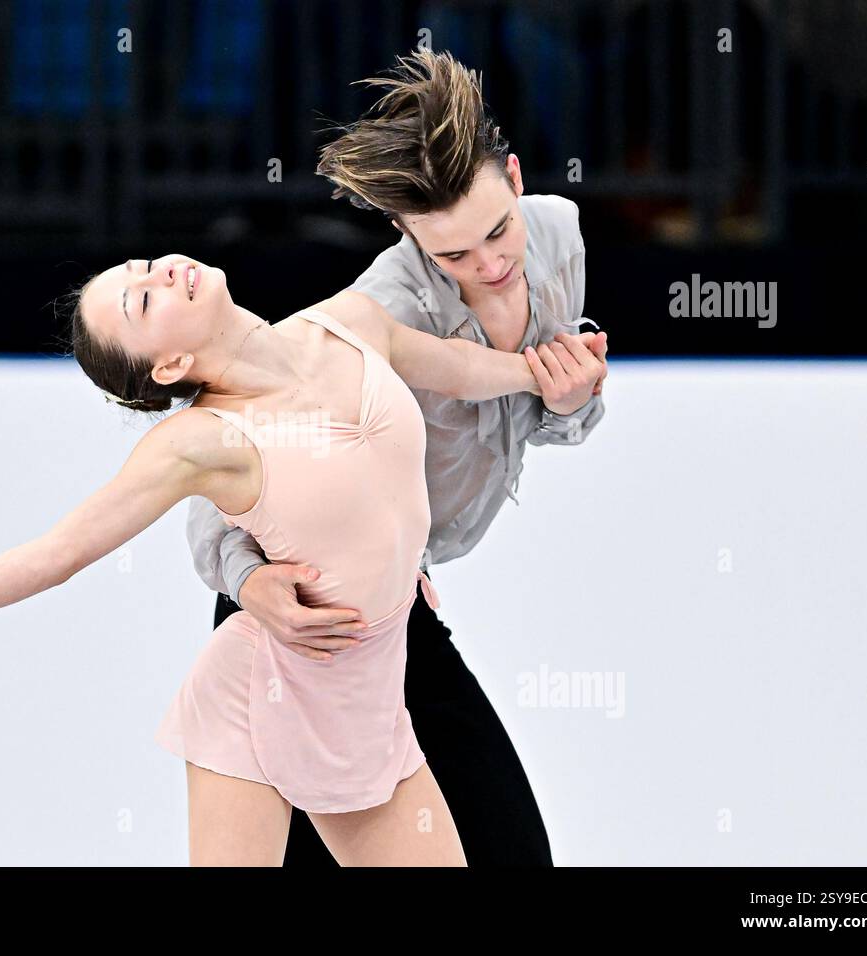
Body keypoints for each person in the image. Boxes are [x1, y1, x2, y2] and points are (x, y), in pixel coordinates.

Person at [0, 247, 605, 865]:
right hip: (262, 690)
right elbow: (60, 551)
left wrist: (542, 379)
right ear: (169, 366)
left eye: (144, 267)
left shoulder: (346, 320)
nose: (161, 272)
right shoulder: (202, 441)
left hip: (368, 697)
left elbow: (458, 367)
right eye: (141, 300)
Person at [186, 49, 608, 867]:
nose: (488, 264)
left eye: (497, 231)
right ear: (405, 234)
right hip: (294, 615)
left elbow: (548, 419)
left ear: (516, 178)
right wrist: (248, 582)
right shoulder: (379, 311)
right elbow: (222, 469)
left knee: (509, 850)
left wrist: (572, 401)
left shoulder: (557, 237)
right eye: (453, 256)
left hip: (389, 608)